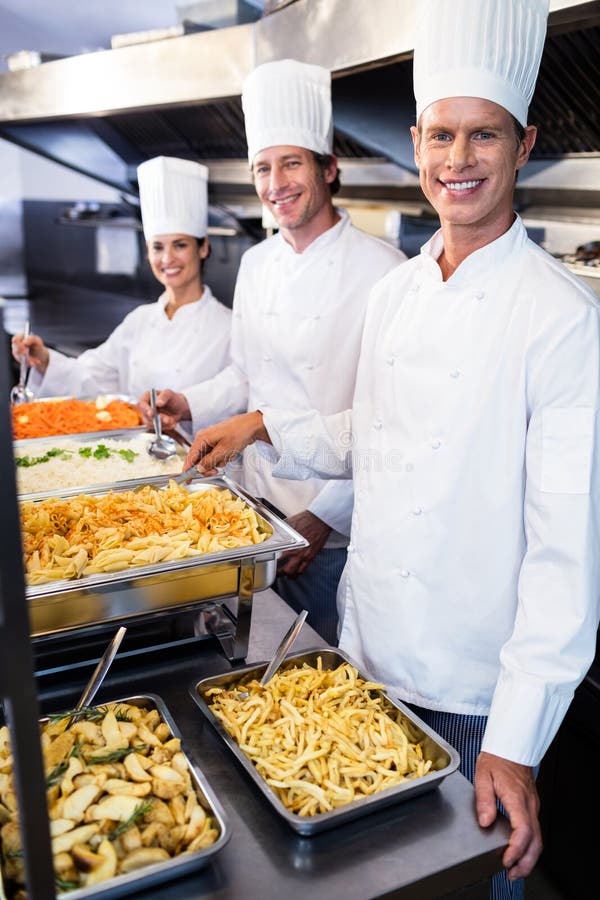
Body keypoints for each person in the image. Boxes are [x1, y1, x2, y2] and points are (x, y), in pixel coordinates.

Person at [180, 2, 600, 897]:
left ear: (523, 145)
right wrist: (259, 425)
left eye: (482, 137)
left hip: (472, 682)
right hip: (367, 656)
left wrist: (518, 748)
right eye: (441, 135)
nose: (458, 161)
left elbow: (567, 562)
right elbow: (367, 438)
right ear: (414, 143)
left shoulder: (564, 320)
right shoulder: (399, 295)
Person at [138, 60, 406, 645]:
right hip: (253, 509)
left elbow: (389, 421)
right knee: (247, 669)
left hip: (330, 533)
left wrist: (322, 520)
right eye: (263, 167)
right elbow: (245, 374)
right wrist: (190, 401)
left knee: (321, 682)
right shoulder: (257, 264)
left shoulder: (385, 271)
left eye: (292, 163)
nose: (275, 182)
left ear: (328, 169)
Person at [11, 156, 231, 405]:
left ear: (203, 248)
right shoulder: (140, 321)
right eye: (157, 247)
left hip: (198, 445)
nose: (167, 258)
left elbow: (235, 401)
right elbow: (91, 378)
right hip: (136, 444)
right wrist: (43, 359)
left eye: (180, 245)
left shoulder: (227, 327)